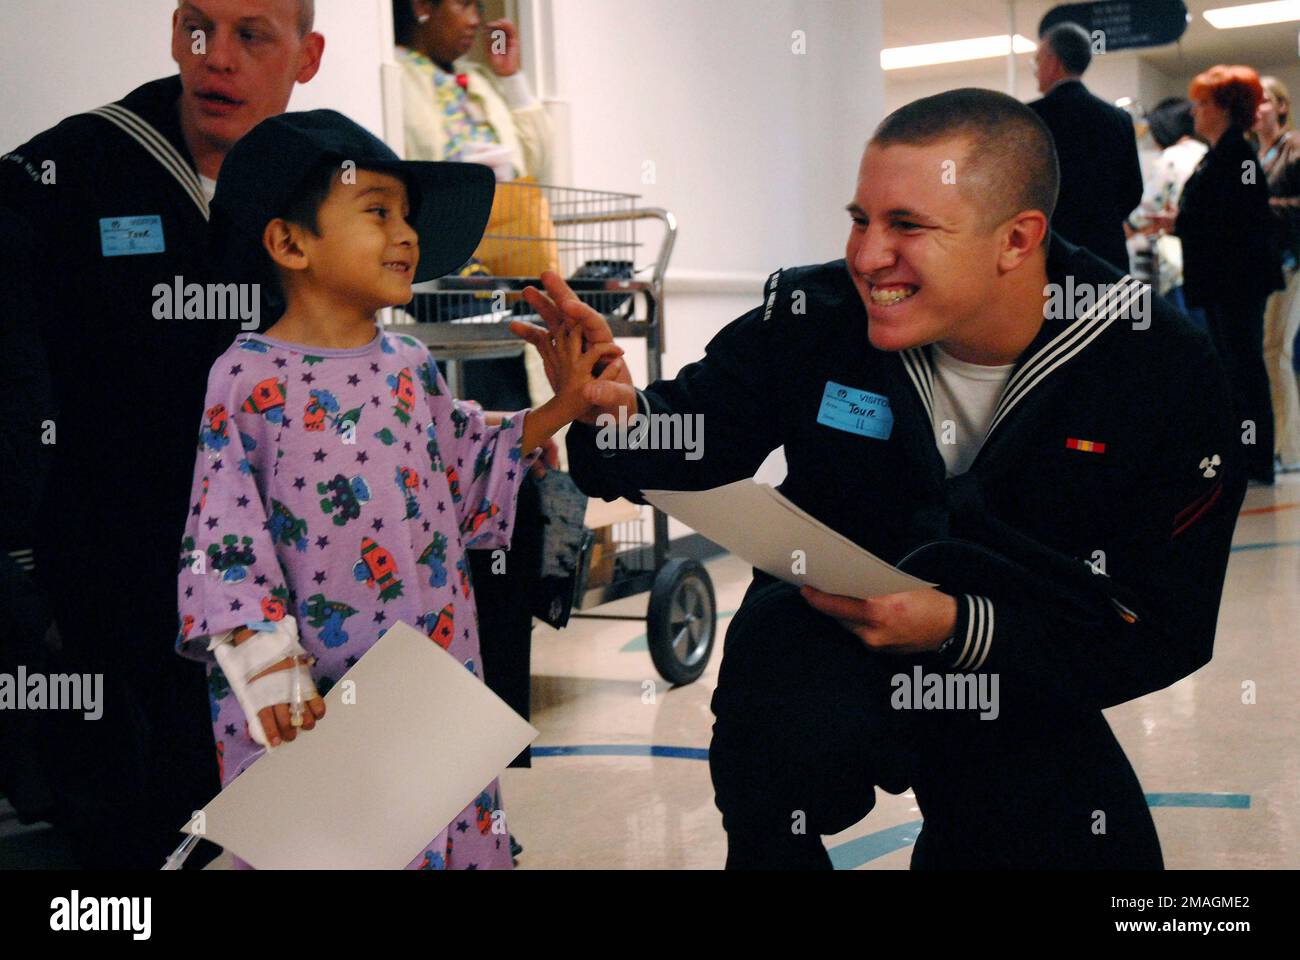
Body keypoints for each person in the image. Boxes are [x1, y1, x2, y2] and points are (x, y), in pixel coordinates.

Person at [514, 88, 1246, 869]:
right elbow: (698, 431)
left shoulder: (1155, 368)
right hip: (822, 662)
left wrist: (958, 628)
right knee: (772, 751)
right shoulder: (814, 314)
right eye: (861, 218)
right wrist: (612, 410)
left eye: (908, 226)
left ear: (1017, 239)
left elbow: (1165, 626)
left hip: (1015, 674)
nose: (866, 256)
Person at [174, 109, 621, 869]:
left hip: (429, 676)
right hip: (316, 699)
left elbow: (468, 466)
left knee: (439, 826)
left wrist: (566, 405)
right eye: (377, 212)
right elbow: (225, 539)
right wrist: (264, 664)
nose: (407, 235)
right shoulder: (247, 379)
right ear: (289, 242)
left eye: (407, 217)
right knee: (338, 842)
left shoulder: (409, 365)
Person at [0, 0, 324, 869]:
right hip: (109, 577)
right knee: (132, 829)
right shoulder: (64, 174)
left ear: (307, 57)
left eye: (250, 35)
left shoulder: (329, 187)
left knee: (275, 809)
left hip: (275, 584)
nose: (214, 57)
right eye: (195, 27)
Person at [1170, 65, 1283, 486]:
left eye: (1203, 104)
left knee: (1245, 369)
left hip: (1235, 282)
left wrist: (1182, 222)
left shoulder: (1238, 156)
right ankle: (1248, 457)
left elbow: (1239, 219)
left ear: (1225, 109)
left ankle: (1256, 459)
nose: (1195, 113)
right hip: (1225, 281)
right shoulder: (1220, 155)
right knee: (1236, 369)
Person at [1029, 22, 1144, 273]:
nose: (1035, 71)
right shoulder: (1118, 119)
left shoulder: (1032, 118)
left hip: (1051, 252)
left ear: (1053, 61)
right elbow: (1133, 190)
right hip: (1107, 252)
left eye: (1037, 62)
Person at [393, 0, 551, 182]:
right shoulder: (396, 74)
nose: (475, 20)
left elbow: (537, 161)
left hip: (504, 206)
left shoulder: (479, 78)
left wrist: (510, 76)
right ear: (423, 6)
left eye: (479, 7)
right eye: (464, 4)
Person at [1254, 76, 1300, 472]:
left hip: (1293, 262)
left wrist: (1260, 207)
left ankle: (1289, 448)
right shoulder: (1255, 154)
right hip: (1266, 265)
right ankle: (1275, 442)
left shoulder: (1295, 147)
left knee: (1277, 351)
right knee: (1267, 353)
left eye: (1265, 100)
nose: (1257, 107)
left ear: (1282, 107)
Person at [1125, 98, 1206, 317]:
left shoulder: (1172, 157)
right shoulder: (1204, 152)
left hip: (1171, 260)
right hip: (1201, 255)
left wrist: (1126, 226)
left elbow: (1146, 212)